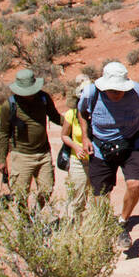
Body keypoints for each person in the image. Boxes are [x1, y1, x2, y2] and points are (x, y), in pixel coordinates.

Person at [78, 62, 139, 250]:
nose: (117, 93)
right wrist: (85, 137)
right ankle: (105, 228)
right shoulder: (91, 93)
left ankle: (123, 223)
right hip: (101, 148)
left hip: (131, 144)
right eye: (113, 90)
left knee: (135, 184)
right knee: (100, 196)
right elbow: (82, 112)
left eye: (119, 89)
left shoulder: (138, 92)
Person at [0, 68, 62, 209]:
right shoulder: (10, 105)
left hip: (43, 153)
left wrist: (74, 122)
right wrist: (2, 159)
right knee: (20, 195)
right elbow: (3, 133)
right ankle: (26, 223)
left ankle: (36, 214)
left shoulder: (44, 98)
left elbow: (56, 117)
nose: (30, 95)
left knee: (46, 189)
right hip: (21, 156)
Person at [58, 76, 93, 215]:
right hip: (79, 161)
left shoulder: (100, 113)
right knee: (78, 198)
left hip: (98, 161)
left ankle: (97, 227)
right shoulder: (71, 115)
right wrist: (76, 147)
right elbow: (64, 135)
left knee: (99, 197)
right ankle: (76, 227)